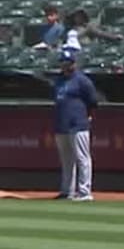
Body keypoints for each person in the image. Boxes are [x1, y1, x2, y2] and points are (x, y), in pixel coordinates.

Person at [52, 49, 98, 201]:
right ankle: (67, 191)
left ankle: (85, 191)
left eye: (68, 63)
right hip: (62, 124)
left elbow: (93, 100)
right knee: (66, 160)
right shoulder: (59, 80)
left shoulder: (82, 80)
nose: (66, 66)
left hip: (78, 123)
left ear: (74, 64)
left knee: (82, 158)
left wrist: (87, 115)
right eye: (64, 63)